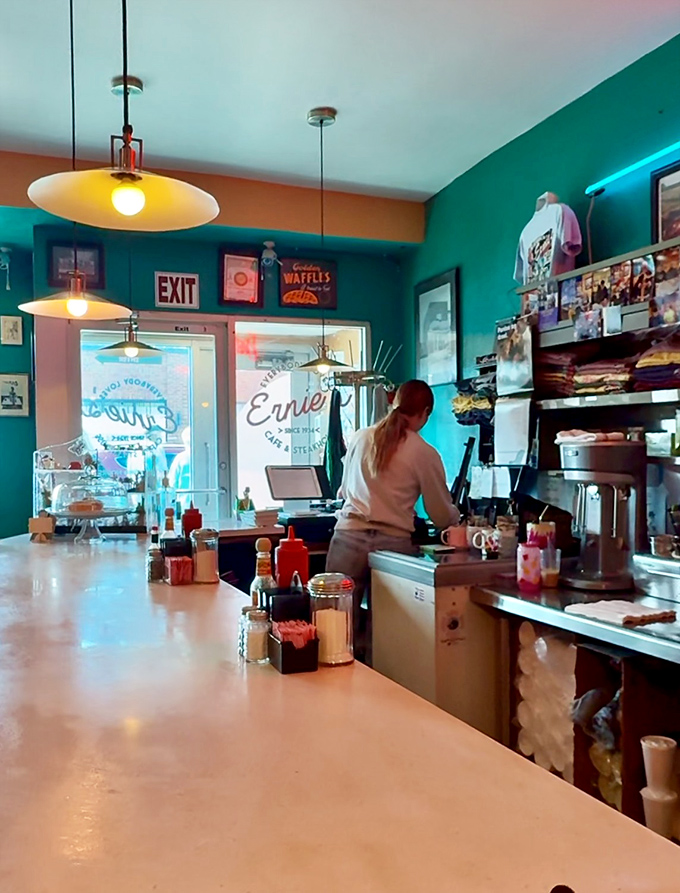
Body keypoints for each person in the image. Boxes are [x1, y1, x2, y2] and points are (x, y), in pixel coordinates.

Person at [326, 380, 461, 661]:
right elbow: (439, 514)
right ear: (425, 412)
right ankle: (378, 695)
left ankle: (331, 694)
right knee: (385, 633)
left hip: (348, 537)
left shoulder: (361, 438)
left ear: (393, 402)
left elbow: (342, 491)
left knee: (334, 628)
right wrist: (456, 517)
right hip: (392, 547)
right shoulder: (424, 453)